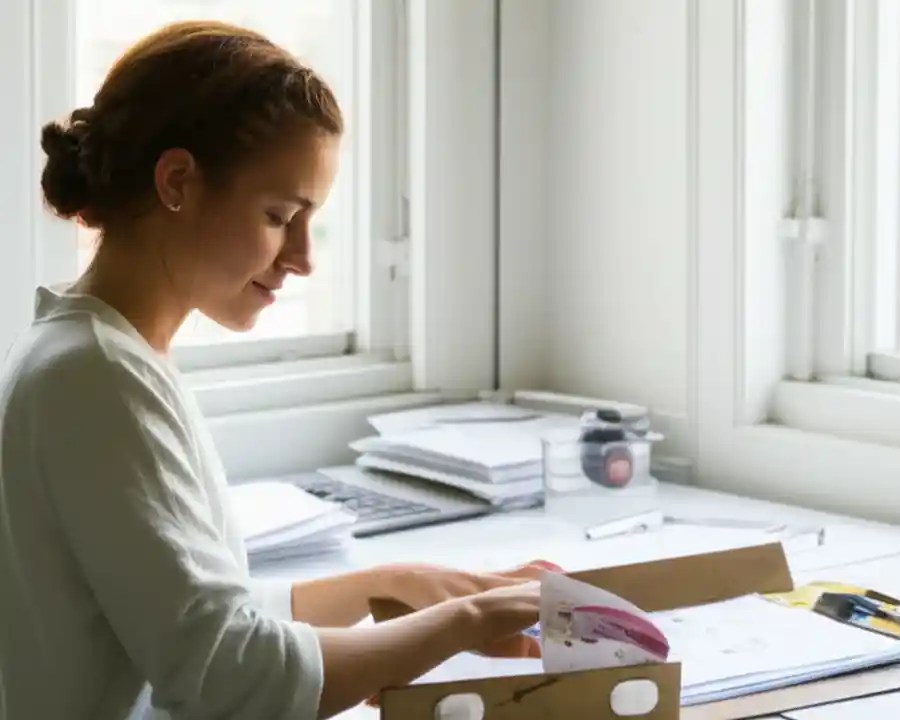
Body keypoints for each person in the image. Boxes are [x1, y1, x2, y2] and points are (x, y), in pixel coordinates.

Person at [0, 20, 544, 719]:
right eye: (279, 214)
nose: (303, 257)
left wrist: (389, 584)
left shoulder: (95, 354)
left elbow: (180, 615)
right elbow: (226, 673)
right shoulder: (97, 378)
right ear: (177, 182)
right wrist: (463, 624)